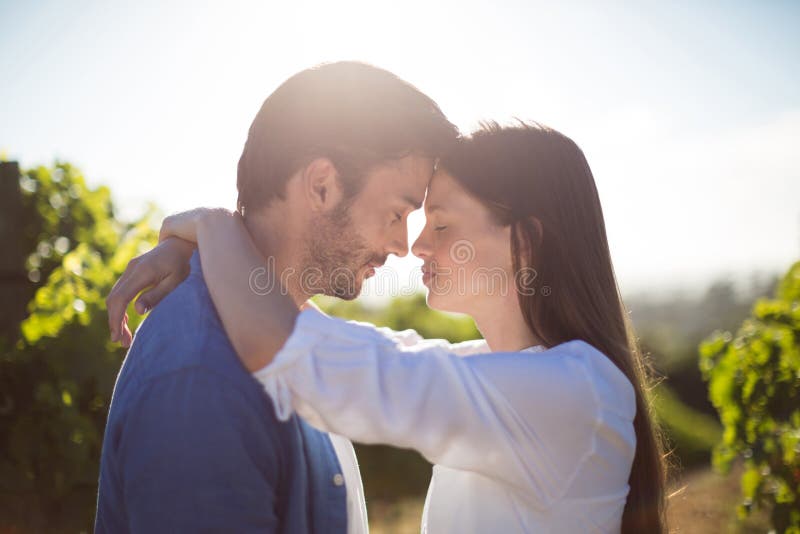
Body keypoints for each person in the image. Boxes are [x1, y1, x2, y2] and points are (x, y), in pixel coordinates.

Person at [108, 123, 667, 533]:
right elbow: (339, 340)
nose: (415, 246)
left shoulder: (573, 394)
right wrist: (217, 259)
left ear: (527, 241)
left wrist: (215, 229)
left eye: (442, 226)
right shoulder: (506, 375)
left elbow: (309, 357)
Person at [97, 60, 459, 533]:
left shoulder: (301, 336)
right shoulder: (204, 376)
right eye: (397, 213)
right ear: (322, 185)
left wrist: (212, 227)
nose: (402, 246)